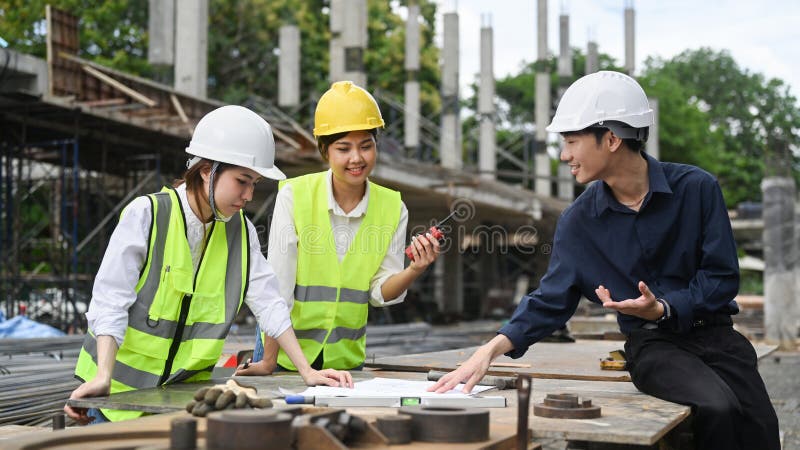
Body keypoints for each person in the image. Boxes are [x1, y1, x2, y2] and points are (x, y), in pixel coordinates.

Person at [429, 71, 780, 450]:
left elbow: (721, 278)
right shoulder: (579, 222)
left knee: (760, 426)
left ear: (611, 139)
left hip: (717, 337)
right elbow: (550, 300)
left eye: (571, 141)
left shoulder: (697, 189)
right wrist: (490, 350)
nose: (564, 155)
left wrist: (663, 306)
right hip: (654, 348)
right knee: (718, 408)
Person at [65, 105, 353, 425]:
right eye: (242, 181)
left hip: (182, 403)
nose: (248, 195)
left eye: (254, 183)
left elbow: (269, 302)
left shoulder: (240, 232)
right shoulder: (147, 215)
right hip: (115, 400)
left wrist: (307, 371)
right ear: (206, 170)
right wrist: (103, 375)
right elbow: (110, 299)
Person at [236, 81, 440, 375]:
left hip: (345, 362)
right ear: (325, 151)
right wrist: (268, 361)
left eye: (366, 146)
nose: (356, 158)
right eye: (344, 148)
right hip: (285, 356)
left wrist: (414, 269)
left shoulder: (394, 207)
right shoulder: (295, 196)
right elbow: (278, 287)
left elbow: (380, 293)